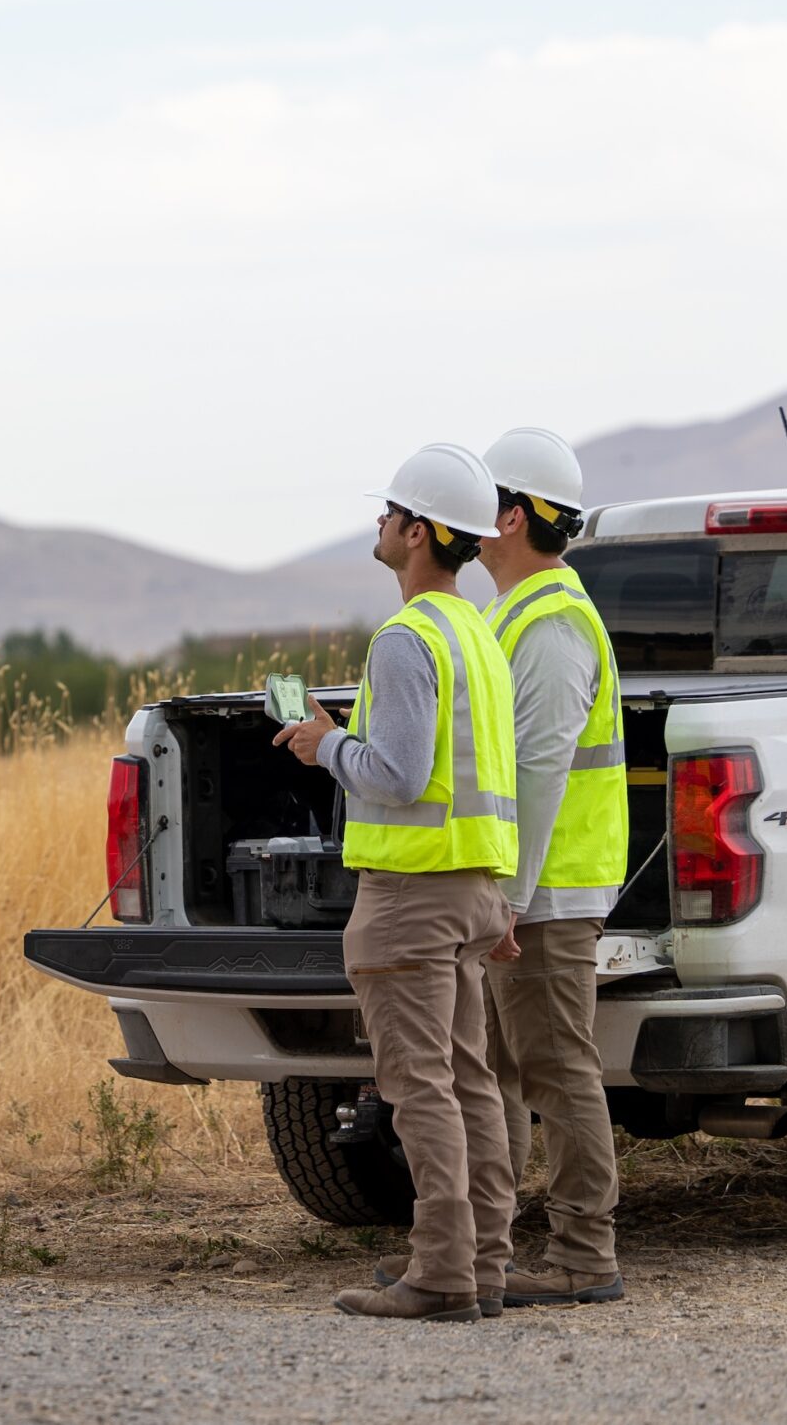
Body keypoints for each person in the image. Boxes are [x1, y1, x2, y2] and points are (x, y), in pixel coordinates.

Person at [274, 444, 519, 1322]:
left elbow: (403, 774)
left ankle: (444, 1272)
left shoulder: (408, 638)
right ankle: (484, 1263)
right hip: (470, 889)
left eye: (388, 512)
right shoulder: (477, 638)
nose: (377, 522)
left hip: (412, 895)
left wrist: (324, 747)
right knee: (468, 1080)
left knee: (420, 1086)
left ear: (418, 533)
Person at [475, 425, 629, 1306]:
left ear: (515, 514)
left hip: (544, 895)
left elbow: (539, 772)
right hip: (527, 892)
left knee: (557, 1068)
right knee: (505, 1070)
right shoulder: (520, 615)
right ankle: (485, 1252)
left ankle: (583, 1254)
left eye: (480, 505)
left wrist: (510, 898)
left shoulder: (553, 623)